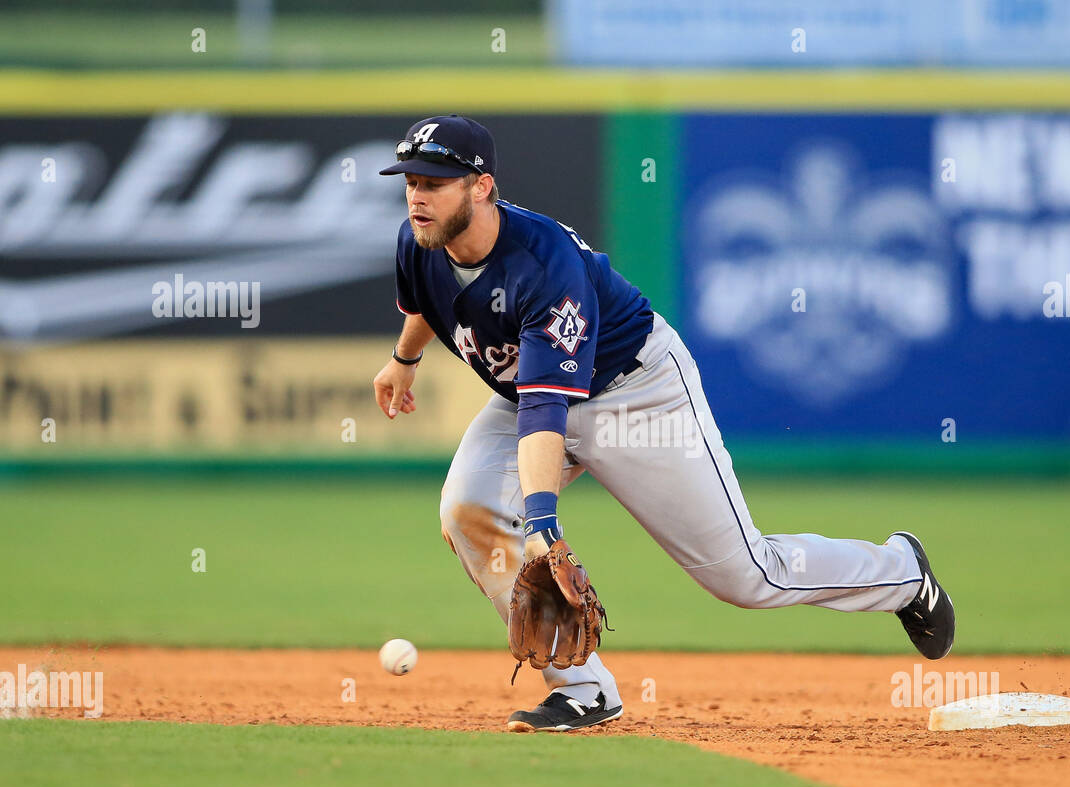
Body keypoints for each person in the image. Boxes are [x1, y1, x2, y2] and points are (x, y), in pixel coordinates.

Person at [372, 115, 956, 733]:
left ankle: (901, 573)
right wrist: (403, 359)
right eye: (411, 179)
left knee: (745, 575)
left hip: (637, 395)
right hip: (532, 396)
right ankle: (583, 690)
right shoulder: (421, 239)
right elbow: (430, 303)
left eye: (435, 181)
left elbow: (547, 412)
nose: (417, 195)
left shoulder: (543, 266)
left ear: (482, 186)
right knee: (468, 508)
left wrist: (542, 522)